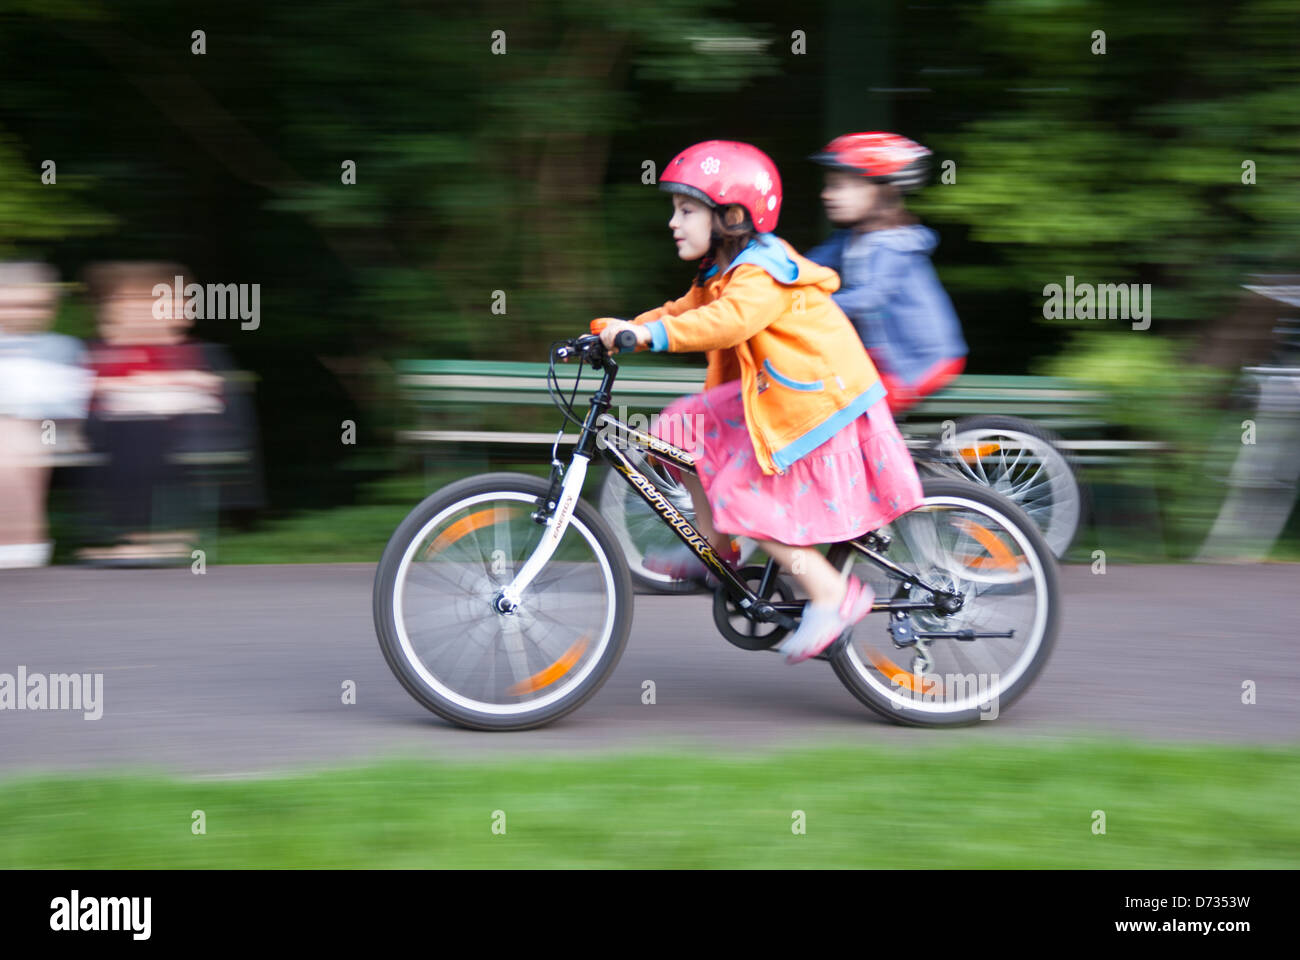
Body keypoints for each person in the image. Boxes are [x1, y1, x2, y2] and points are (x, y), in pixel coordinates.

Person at [596, 140, 925, 664]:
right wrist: (622, 331)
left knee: (742, 493)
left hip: (816, 402)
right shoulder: (721, 270)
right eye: (673, 211)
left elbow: (727, 323)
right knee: (681, 427)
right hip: (778, 392)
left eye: (686, 210)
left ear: (729, 215)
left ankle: (832, 593)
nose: (672, 223)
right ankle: (716, 550)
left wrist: (651, 337)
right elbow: (682, 310)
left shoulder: (762, 271)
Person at [805, 132, 968, 415]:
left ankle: (889, 461)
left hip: (919, 360)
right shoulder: (851, 239)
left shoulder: (896, 244)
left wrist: (813, 306)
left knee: (847, 413)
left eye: (840, 186)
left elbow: (872, 294)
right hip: (885, 355)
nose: (827, 194)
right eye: (828, 185)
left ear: (884, 192)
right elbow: (803, 266)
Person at [0, 262, 93, 568]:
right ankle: (24, 543)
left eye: (32, 305)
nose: (19, 313)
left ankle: (20, 544)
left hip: (50, 428)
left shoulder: (62, 347)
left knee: (15, 443)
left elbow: (68, 402)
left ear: (50, 308)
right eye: (8, 305)